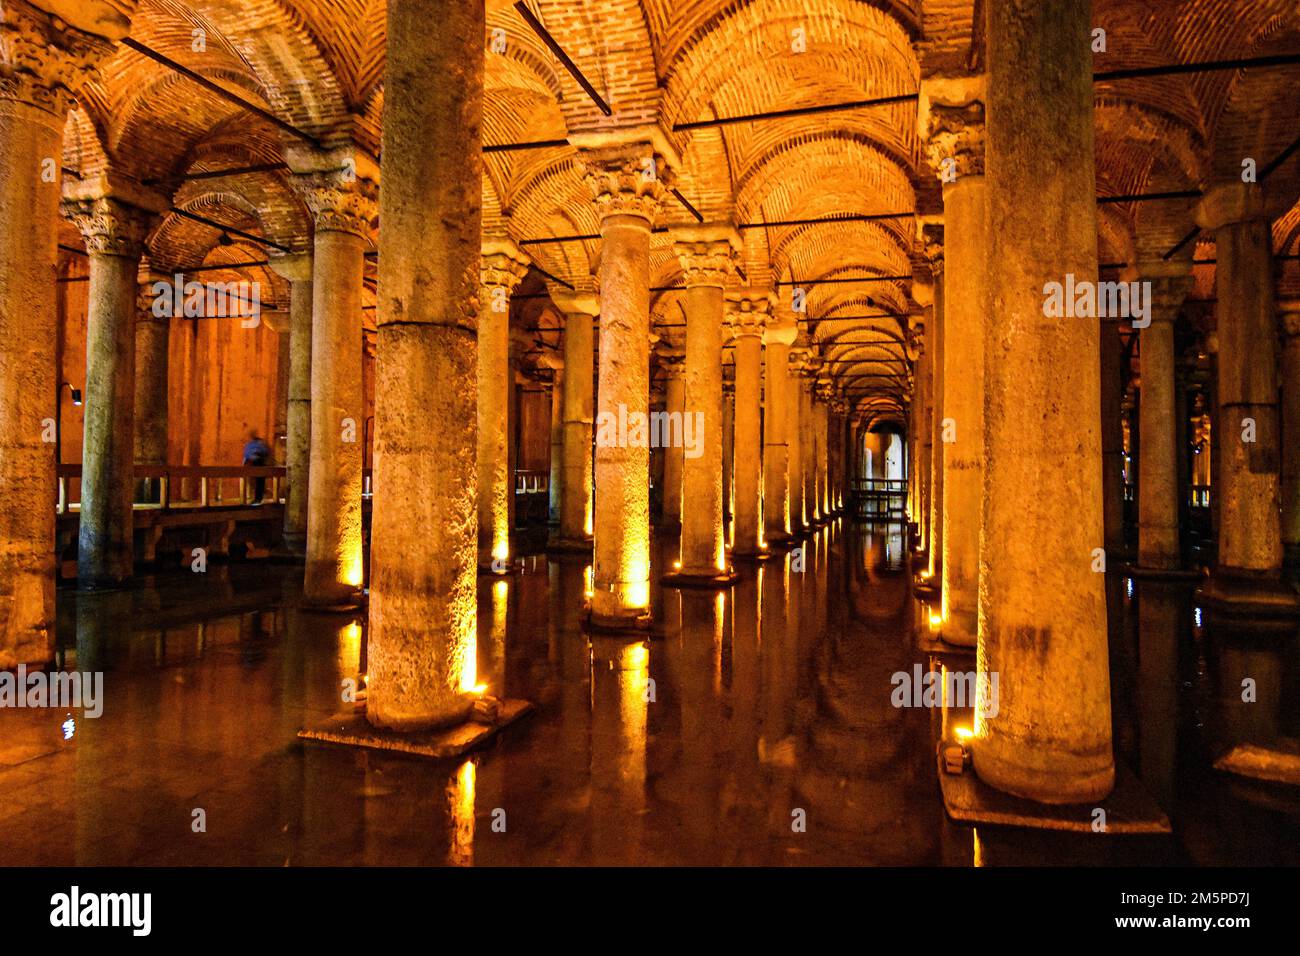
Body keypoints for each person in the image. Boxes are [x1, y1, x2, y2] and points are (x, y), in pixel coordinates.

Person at [242, 430, 271, 503]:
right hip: (257, 463)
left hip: (257, 464)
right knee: (258, 482)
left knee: (258, 482)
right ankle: (257, 498)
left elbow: (247, 454)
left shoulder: (256, 443)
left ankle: (257, 498)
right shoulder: (260, 443)